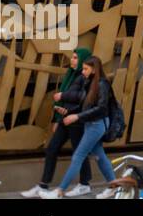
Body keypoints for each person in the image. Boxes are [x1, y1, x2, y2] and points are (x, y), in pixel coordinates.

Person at [40, 57, 118, 198]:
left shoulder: (102, 84)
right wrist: (69, 112)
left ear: (94, 69)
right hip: (90, 124)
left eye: (86, 69)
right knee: (99, 155)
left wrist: (77, 117)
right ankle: (114, 186)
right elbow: (84, 104)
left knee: (78, 156)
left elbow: (101, 108)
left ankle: (59, 192)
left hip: (97, 124)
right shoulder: (89, 83)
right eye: (83, 69)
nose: (83, 72)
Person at [22, 48, 94, 198]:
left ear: (83, 60)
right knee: (52, 149)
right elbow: (62, 100)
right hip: (64, 119)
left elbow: (83, 98)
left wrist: (64, 96)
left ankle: (85, 184)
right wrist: (57, 119)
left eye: (75, 58)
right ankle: (43, 185)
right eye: (72, 57)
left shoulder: (86, 77)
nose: (72, 60)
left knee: (79, 153)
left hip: (76, 120)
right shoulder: (70, 74)